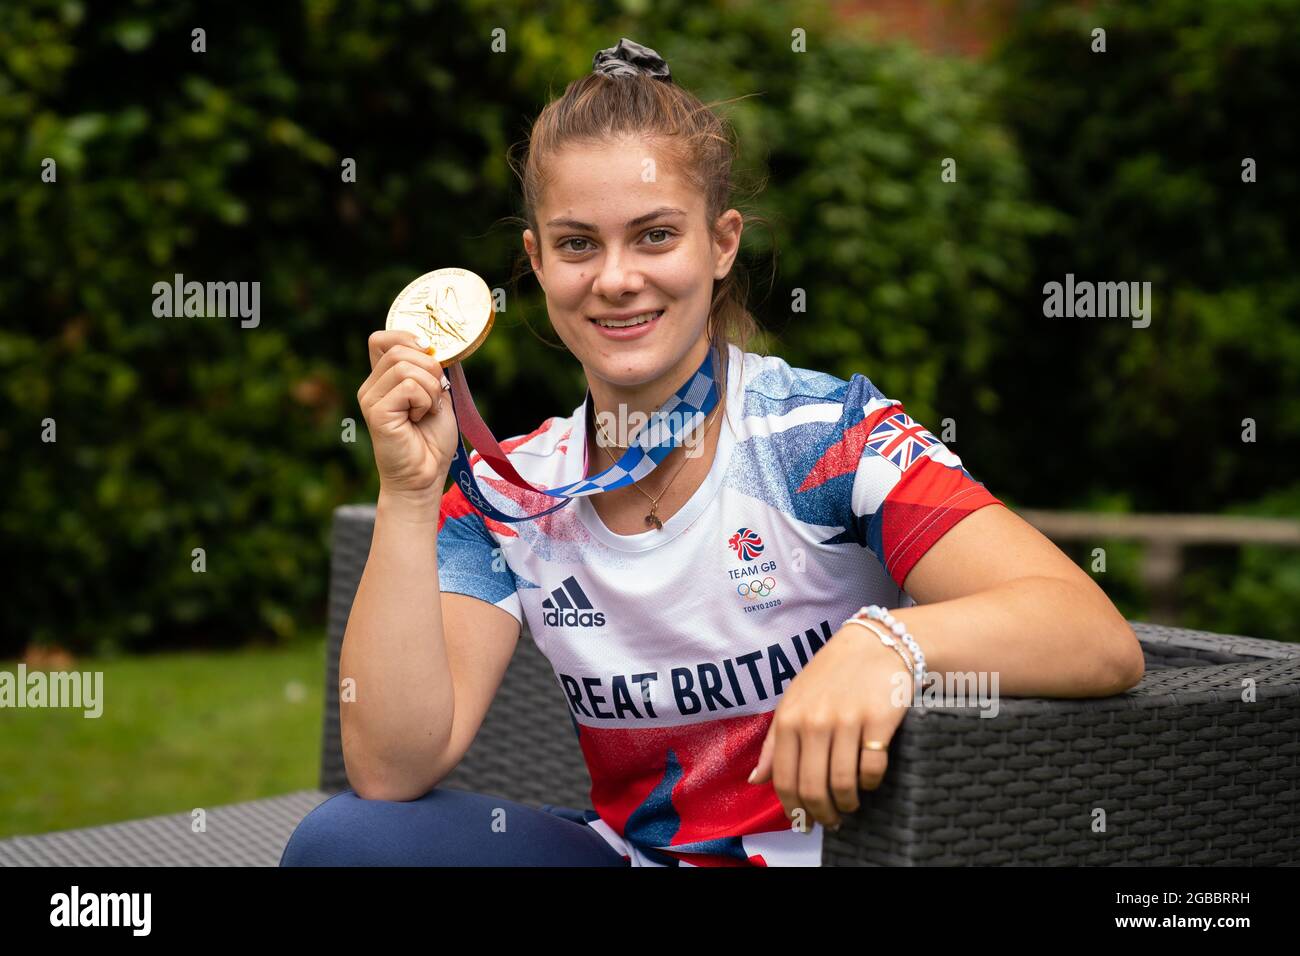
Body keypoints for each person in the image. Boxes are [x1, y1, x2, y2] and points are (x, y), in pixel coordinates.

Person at [281, 37, 1145, 868]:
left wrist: (883, 642)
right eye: (579, 244)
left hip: (828, 863)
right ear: (537, 264)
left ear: (722, 243)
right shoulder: (513, 487)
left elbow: (1092, 635)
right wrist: (408, 491)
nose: (616, 278)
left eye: (655, 235)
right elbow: (392, 768)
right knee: (347, 846)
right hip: (634, 857)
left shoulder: (822, 438)